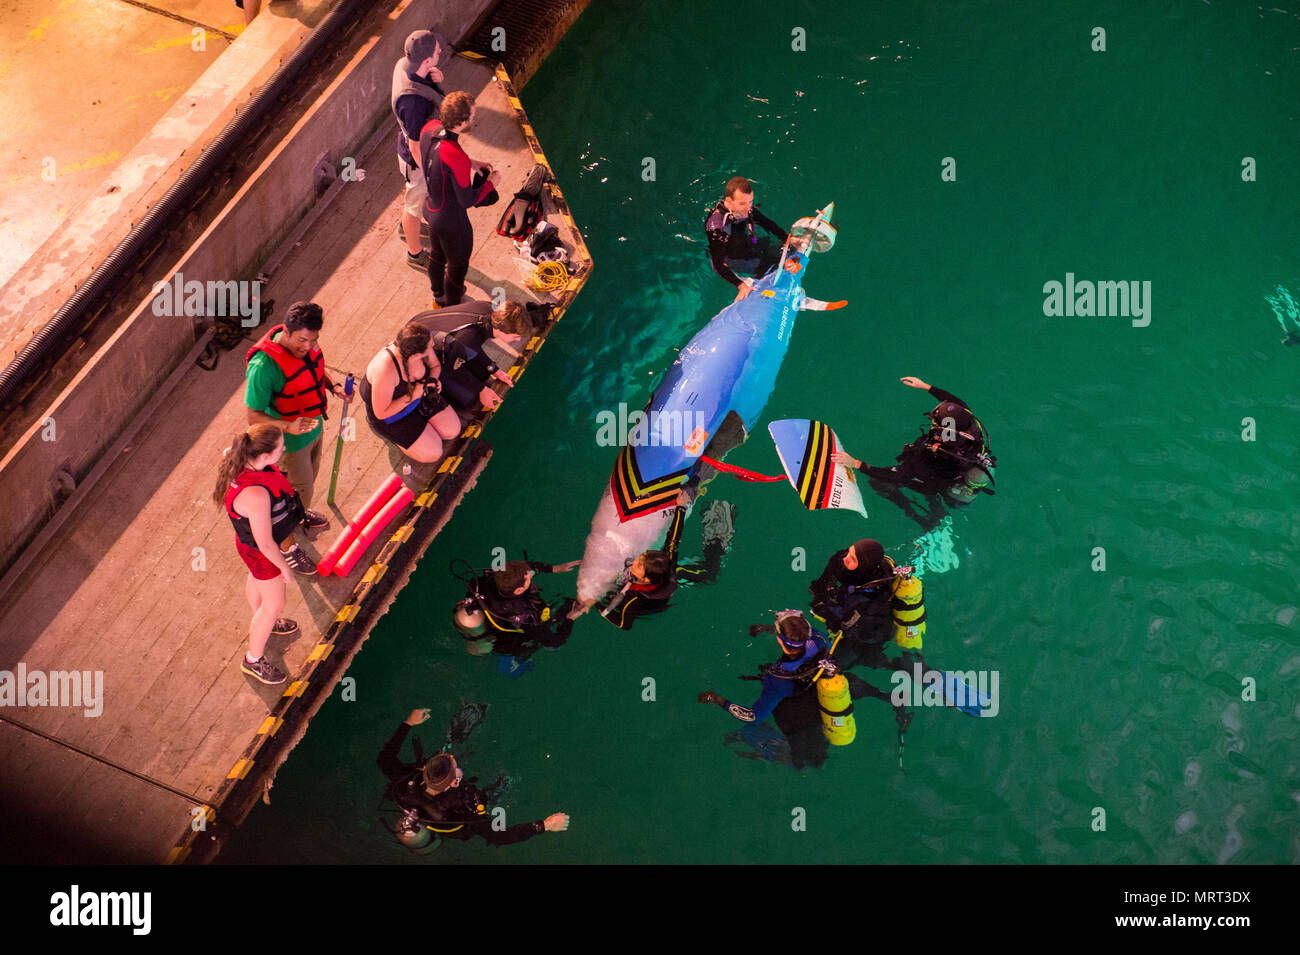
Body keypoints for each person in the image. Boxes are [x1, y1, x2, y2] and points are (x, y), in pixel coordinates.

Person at [245, 301, 346, 569]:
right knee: (284, 500)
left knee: (306, 485)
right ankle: (287, 547)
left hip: (312, 429)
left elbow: (312, 372)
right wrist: (288, 426)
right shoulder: (263, 366)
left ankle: (301, 513)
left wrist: (333, 386)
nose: (308, 346)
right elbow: (253, 415)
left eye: (313, 340)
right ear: (287, 332)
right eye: (302, 340)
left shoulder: (306, 349)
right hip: (287, 445)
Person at [378, 708, 569, 847]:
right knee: (497, 791)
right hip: (446, 819)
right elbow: (499, 836)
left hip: (424, 810)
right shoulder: (459, 814)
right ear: (455, 782)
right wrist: (545, 825)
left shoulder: (405, 784)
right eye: (453, 763)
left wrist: (408, 723)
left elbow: (384, 759)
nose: (452, 757)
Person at [213, 424, 306, 685]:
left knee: (257, 583)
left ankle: (264, 618)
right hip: (261, 551)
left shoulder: (238, 457)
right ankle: (253, 660)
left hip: (248, 547)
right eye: (279, 448)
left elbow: (227, 450)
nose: (284, 449)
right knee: (275, 604)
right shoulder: (255, 495)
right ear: (264, 457)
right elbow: (266, 544)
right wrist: (284, 567)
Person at [833, 377, 995, 510]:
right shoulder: (968, 425)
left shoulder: (935, 456)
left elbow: (899, 474)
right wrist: (925, 386)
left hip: (934, 480)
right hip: (951, 474)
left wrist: (856, 463)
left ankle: (918, 513)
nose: (932, 422)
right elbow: (955, 403)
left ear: (944, 429)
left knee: (878, 482)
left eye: (934, 421)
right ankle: (936, 507)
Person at [586, 488, 736, 630]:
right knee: (670, 549)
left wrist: (595, 604)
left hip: (666, 587)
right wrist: (681, 507)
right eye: (641, 557)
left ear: (645, 580)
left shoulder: (632, 600)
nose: (634, 562)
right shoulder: (667, 560)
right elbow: (674, 537)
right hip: (658, 574)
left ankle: (719, 535)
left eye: (638, 565)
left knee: (711, 572)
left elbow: (624, 624)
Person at [419, 91, 499, 308]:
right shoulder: (456, 155)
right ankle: (452, 306)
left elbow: (439, 161)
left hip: (431, 208)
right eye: (472, 117)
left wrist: (470, 163)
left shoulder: (430, 128)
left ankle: (437, 296)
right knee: (457, 266)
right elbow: (467, 200)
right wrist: (492, 183)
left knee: (436, 255)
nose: (474, 119)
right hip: (452, 222)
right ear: (462, 122)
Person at [361, 321, 464, 463]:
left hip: (418, 395)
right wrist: (413, 395)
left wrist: (431, 382)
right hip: (392, 414)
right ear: (416, 356)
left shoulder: (418, 347)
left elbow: (435, 366)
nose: (433, 345)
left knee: (452, 430)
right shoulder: (385, 370)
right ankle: (400, 439)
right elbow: (381, 413)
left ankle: (422, 428)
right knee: (433, 453)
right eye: (430, 346)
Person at [456, 558, 581, 663]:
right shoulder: (522, 617)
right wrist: (571, 618)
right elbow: (555, 642)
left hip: (491, 614)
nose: (531, 574)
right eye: (528, 578)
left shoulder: (494, 578)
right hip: (505, 641)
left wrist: (555, 568)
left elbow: (528, 569)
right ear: (518, 591)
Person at [392, 30, 446, 272]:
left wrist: (436, 80)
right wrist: (428, 174)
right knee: (413, 206)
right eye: (436, 51)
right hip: (416, 161)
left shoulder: (404, 65)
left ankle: (408, 227)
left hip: (410, 151)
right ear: (426, 60)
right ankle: (414, 254)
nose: (441, 51)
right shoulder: (412, 102)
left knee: (413, 202)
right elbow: (415, 144)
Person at [704, 176, 789, 299]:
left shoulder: (745, 209)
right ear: (728, 201)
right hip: (732, 259)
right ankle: (763, 286)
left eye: (750, 201)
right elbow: (718, 264)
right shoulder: (716, 227)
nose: (748, 208)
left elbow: (768, 224)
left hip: (745, 242)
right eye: (742, 203)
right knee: (770, 264)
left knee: (772, 245)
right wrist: (741, 285)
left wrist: (787, 239)